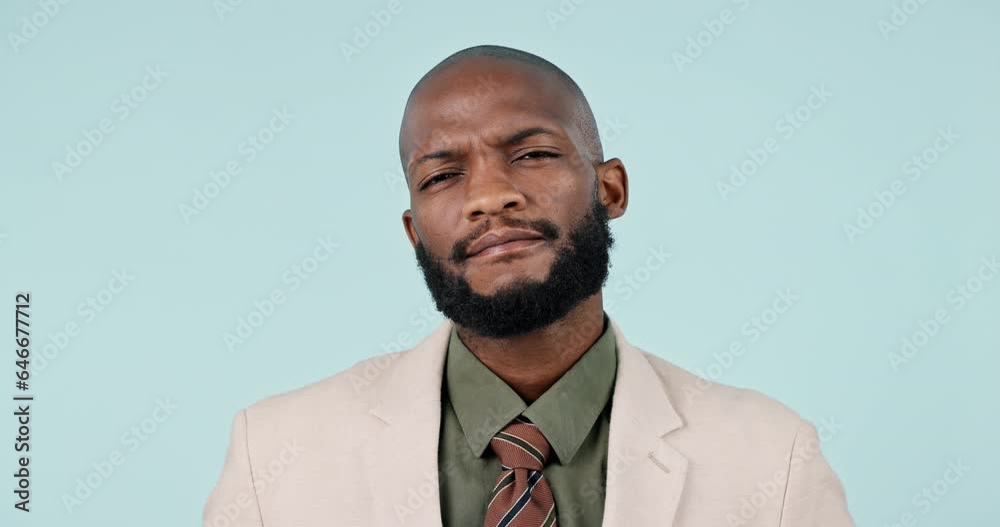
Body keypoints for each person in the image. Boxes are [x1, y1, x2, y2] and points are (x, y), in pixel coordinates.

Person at [202, 44, 855, 526]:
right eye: (440, 176)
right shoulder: (276, 457)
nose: (489, 196)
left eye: (532, 153)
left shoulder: (771, 459)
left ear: (611, 187)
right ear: (413, 231)